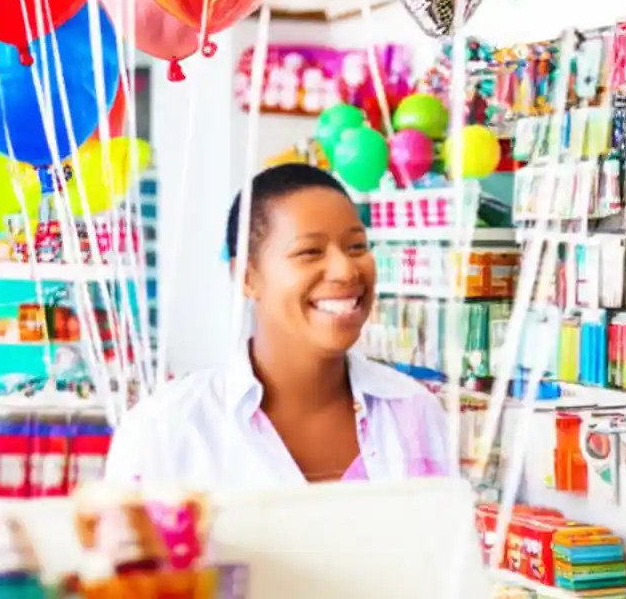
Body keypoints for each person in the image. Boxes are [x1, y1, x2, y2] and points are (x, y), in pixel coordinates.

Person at [106, 164, 450, 488]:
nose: (346, 270)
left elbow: (451, 547)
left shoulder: (415, 412)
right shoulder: (165, 431)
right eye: (310, 251)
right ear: (247, 277)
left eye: (357, 247)